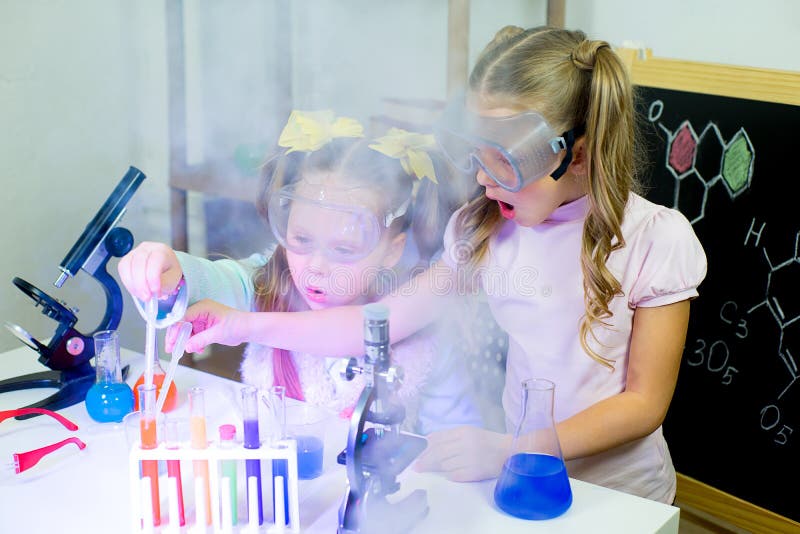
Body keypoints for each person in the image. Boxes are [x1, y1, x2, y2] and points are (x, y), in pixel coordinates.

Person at [173, 27, 707, 504]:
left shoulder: (656, 241)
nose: (481, 179)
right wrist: (239, 323)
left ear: (578, 154)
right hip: (522, 483)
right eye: (477, 156)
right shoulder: (485, 231)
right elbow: (375, 324)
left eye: (504, 161)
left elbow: (643, 404)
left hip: (620, 496)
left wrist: (510, 448)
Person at [118, 110, 480, 434]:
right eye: (301, 239)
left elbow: (455, 443)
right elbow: (213, 284)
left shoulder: (420, 326)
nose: (317, 267)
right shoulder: (269, 283)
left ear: (393, 250)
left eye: (344, 249)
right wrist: (171, 274)